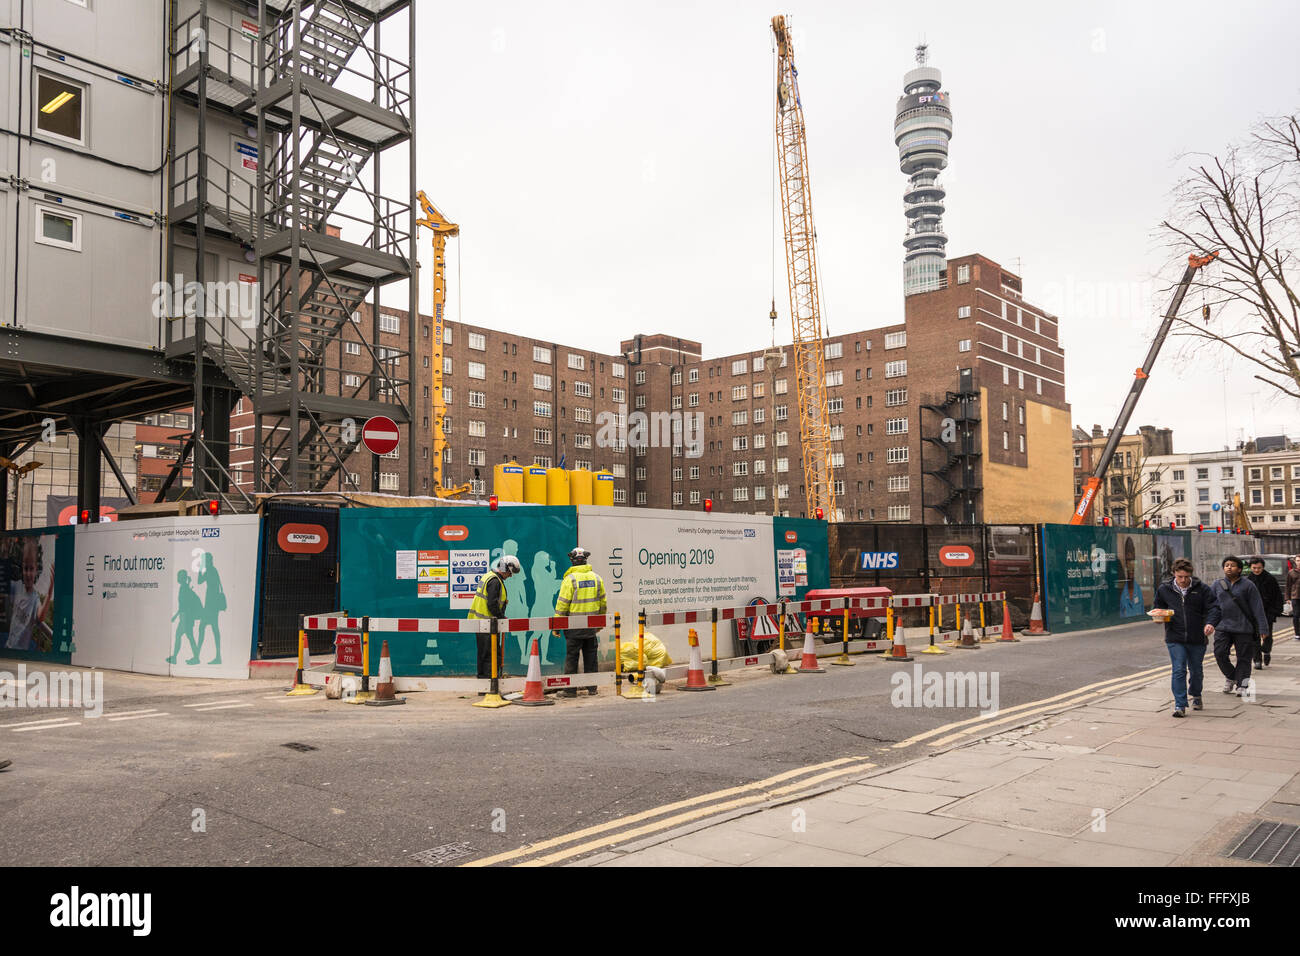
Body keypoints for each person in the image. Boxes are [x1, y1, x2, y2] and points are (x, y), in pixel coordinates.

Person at [1152, 558, 1220, 717]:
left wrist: (1210, 623)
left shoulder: (1202, 589)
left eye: (1186, 577)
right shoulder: (1164, 589)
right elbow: (1158, 607)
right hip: (1174, 637)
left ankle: (1196, 694)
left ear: (1191, 574)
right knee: (1179, 669)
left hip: (1198, 637)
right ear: (1174, 573)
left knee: (1196, 670)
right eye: (1180, 576)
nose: (1183, 580)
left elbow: (1214, 608)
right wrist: (1159, 616)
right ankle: (1180, 705)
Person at [1209, 556, 1268, 696]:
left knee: (1244, 657)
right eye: (1226, 565)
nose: (1229, 567)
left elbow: (1257, 607)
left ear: (1239, 569)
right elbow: (1210, 605)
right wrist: (1208, 622)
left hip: (1244, 627)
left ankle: (1242, 685)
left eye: (1232, 565)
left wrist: (1263, 628)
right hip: (1223, 627)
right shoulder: (1217, 584)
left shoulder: (1248, 585)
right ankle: (1231, 676)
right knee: (1220, 653)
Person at [554, 546, 606, 698]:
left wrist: (557, 626)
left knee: (572, 657)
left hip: (574, 627)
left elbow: (562, 605)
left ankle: (570, 690)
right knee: (591, 657)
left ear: (572, 561)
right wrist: (599, 624)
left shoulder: (569, 580)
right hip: (590, 627)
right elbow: (603, 603)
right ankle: (592, 688)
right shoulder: (596, 578)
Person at [468, 555, 521, 680]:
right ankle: (490, 686)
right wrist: (501, 617)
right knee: (490, 656)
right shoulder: (495, 581)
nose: (510, 575)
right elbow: (492, 604)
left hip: (482, 623)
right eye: (510, 573)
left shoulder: (489, 576)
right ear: (505, 569)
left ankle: (484, 684)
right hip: (487, 624)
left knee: (484, 655)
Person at [1247, 556, 1284, 668]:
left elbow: (1277, 596)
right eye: (1254, 568)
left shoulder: (1270, 579)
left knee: (1267, 635)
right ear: (1250, 567)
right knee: (1254, 637)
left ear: (1263, 567)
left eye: (1259, 568)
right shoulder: (1248, 580)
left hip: (1268, 613)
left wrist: (1275, 611)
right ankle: (1257, 660)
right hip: (1253, 614)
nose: (1257, 570)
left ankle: (1267, 651)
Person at [1286, 554, 1300, 641]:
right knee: (1296, 615)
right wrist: (1287, 598)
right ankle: (1297, 633)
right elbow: (1288, 586)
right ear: (1295, 561)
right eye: (1298, 560)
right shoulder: (1291, 572)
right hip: (1295, 597)